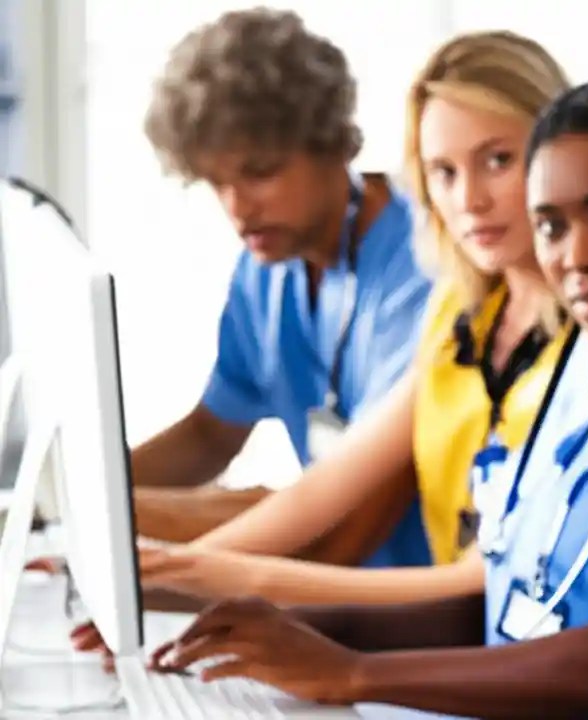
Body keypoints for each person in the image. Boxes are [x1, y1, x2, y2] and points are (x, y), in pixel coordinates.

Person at [143, 76, 588, 719]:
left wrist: (353, 673)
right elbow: (502, 601)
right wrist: (301, 631)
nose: (577, 257)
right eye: (551, 226)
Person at [97, 30, 576, 607]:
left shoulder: (437, 279)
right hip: (428, 627)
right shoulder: (467, 312)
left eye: (260, 172)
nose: (237, 207)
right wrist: (163, 566)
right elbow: (300, 478)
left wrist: (134, 540)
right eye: (444, 172)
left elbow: (359, 532)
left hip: (412, 614)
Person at [128, 7, 433, 569]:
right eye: (217, 182)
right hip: (313, 590)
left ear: (333, 143)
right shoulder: (265, 271)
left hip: (399, 607)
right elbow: (209, 435)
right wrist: (69, 498)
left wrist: (114, 524)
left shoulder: (420, 269)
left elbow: (346, 526)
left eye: (260, 172)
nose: (237, 208)